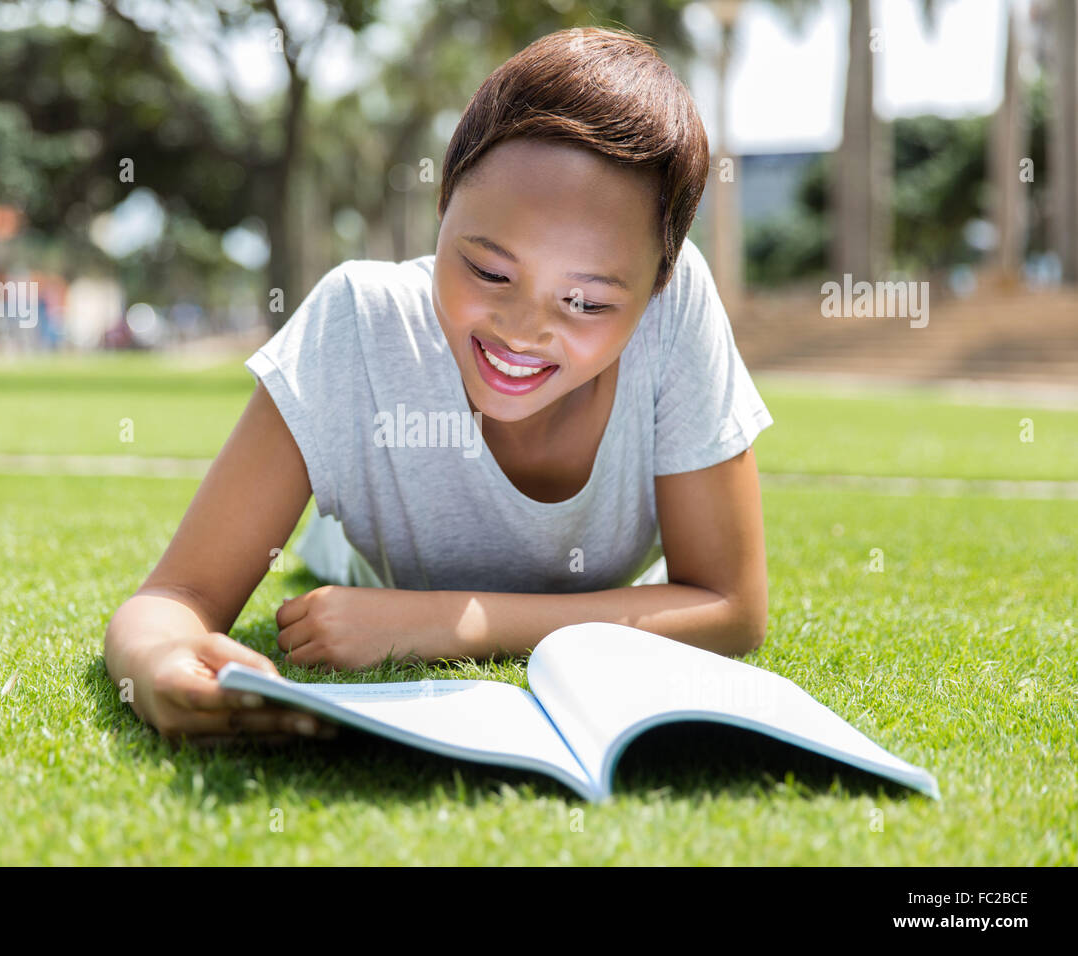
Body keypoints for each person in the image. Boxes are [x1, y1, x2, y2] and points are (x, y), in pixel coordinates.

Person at [104, 26, 774, 746]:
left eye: (586, 302)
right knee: (323, 553)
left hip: (399, 600)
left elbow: (731, 605)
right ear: (442, 208)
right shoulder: (357, 325)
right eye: (488, 271)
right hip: (348, 555)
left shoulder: (676, 312)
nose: (522, 329)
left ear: (656, 287)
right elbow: (177, 597)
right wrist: (160, 661)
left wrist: (442, 621)